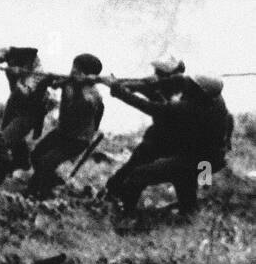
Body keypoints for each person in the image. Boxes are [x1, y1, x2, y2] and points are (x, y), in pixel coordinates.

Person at [106, 74, 234, 215]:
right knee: (177, 172)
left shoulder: (189, 109)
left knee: (139, 175)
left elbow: (149, 107)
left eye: (191, 84)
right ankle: (188, 211)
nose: (186, 85)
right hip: (210, 155)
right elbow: (178, 81)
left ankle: (124, 214)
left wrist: (120, 91)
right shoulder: (216, 99)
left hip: (200, 160)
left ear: (197, 92)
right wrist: (129, 83)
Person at [27, 54, 104, 198]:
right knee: (36, 154)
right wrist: (48, 80)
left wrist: (77, 87)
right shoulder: (69, 81)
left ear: (87, 75)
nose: (73, 71)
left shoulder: (92, 96)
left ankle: (40, 194)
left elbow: (76, 109)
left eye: (77, 69)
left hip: (78, 139)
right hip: (62, 132)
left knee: (46, 163)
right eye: (73, 67)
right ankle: (51, 181)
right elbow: (52, 85)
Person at [0, 46, 54, 182]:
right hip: (14, 103)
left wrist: (18, 74)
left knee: (0, 143)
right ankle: (21, 163)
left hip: (31, 110)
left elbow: (24, 93)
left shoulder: (37, 73)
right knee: (11, 137)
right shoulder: (10, 52)